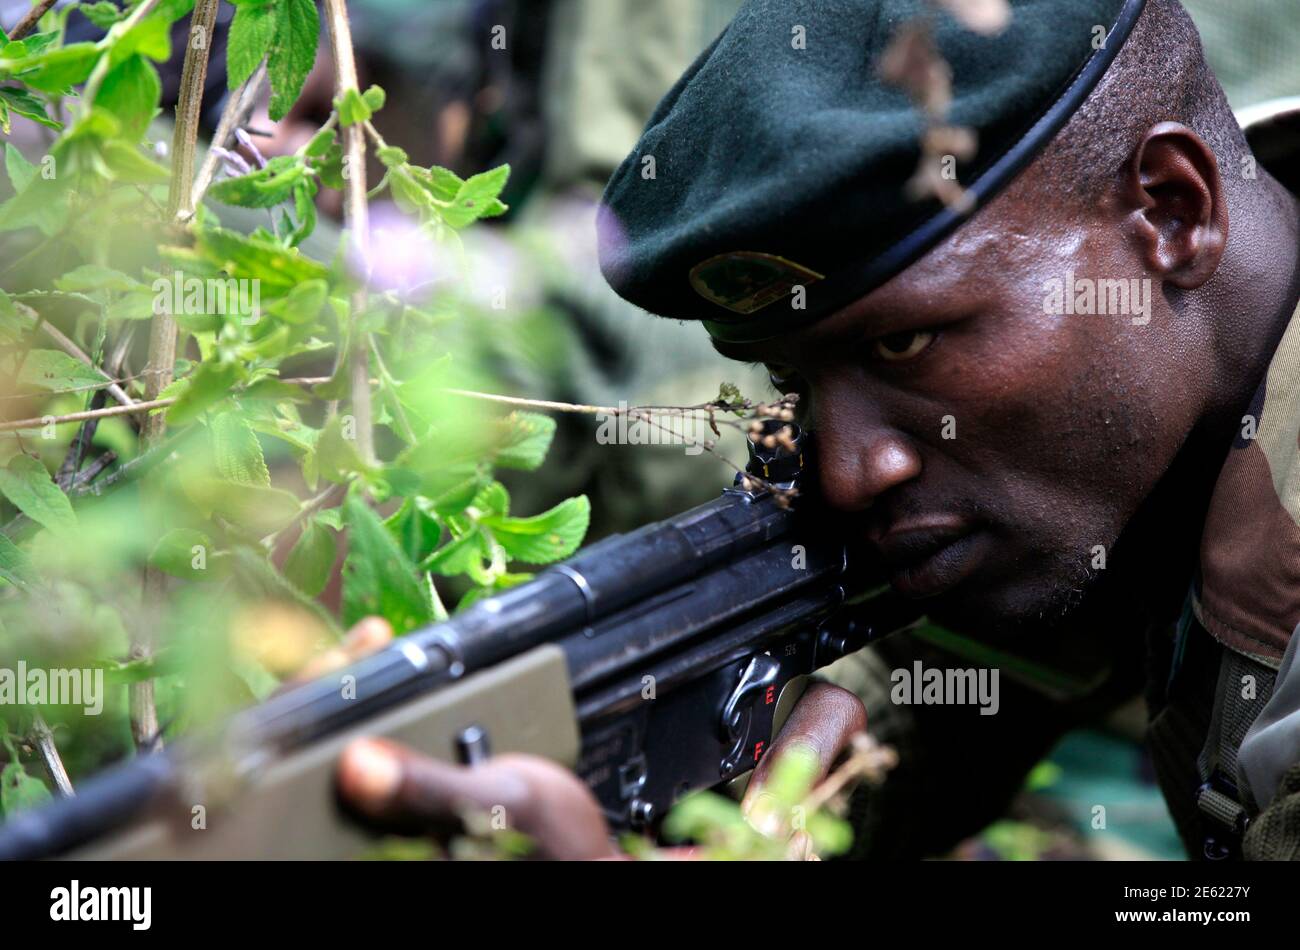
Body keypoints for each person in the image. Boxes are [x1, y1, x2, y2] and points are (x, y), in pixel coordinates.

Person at [333, 0, 1300, 860]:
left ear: (1173, 211)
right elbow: (997, 669)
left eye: (907, 342)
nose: (847, 473)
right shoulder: (1159, 416)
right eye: (793, 380)